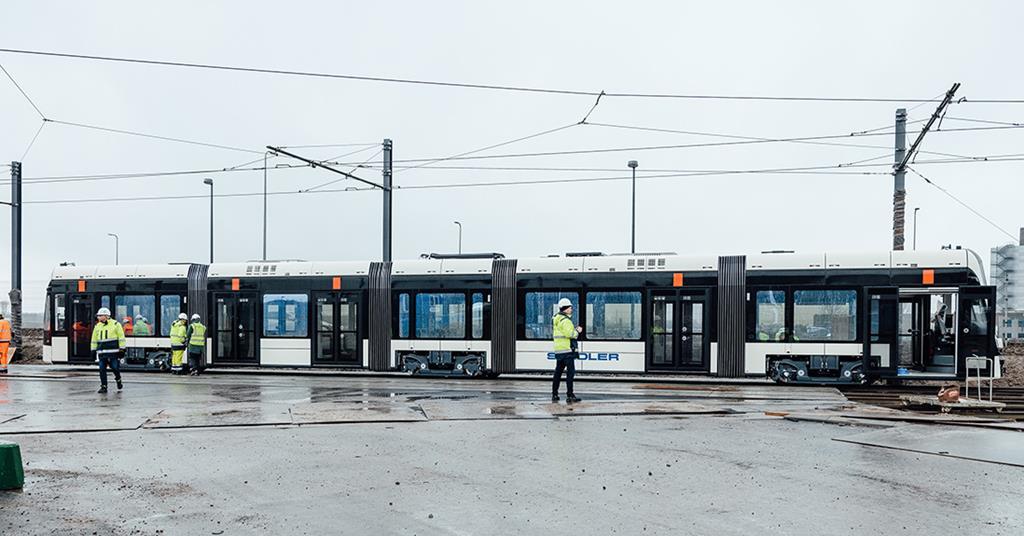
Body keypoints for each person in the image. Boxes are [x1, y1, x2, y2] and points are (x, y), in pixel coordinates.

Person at [551, 297, 582, 403]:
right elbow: (570, 334)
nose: (571, 309)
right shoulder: (566, 321)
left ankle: (554, 394)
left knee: (558, 373)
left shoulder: (557, 319)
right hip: (567, 351)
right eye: (570, 307)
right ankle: (570, 395)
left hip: (559, 351)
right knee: (570, 374)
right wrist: (577, 331)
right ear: (566, 308)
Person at [90, 307, 126, 393]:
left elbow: (121, 338)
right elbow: (94, 339)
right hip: (102, 353)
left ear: (106, 316)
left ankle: (118, 379)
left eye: (100, 316)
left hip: (113, 352)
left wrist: (122, 349)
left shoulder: (116, 325)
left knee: (115, 368)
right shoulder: (97, 326)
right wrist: (93, 350)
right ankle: (104, 386)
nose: (98, 317)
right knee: (102, 369)